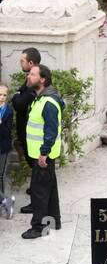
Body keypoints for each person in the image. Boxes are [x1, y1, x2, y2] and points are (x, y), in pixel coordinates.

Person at [19, 64, 61, 240]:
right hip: (42, 154)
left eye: (32, 74)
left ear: (42, 79)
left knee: (39, 192)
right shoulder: (40, 98)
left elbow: (51, 132)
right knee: (49, 189)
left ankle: (39, 227)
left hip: (42, 156)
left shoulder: (48, 103)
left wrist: (43, 154)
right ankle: (54, 220)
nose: (28, 76)